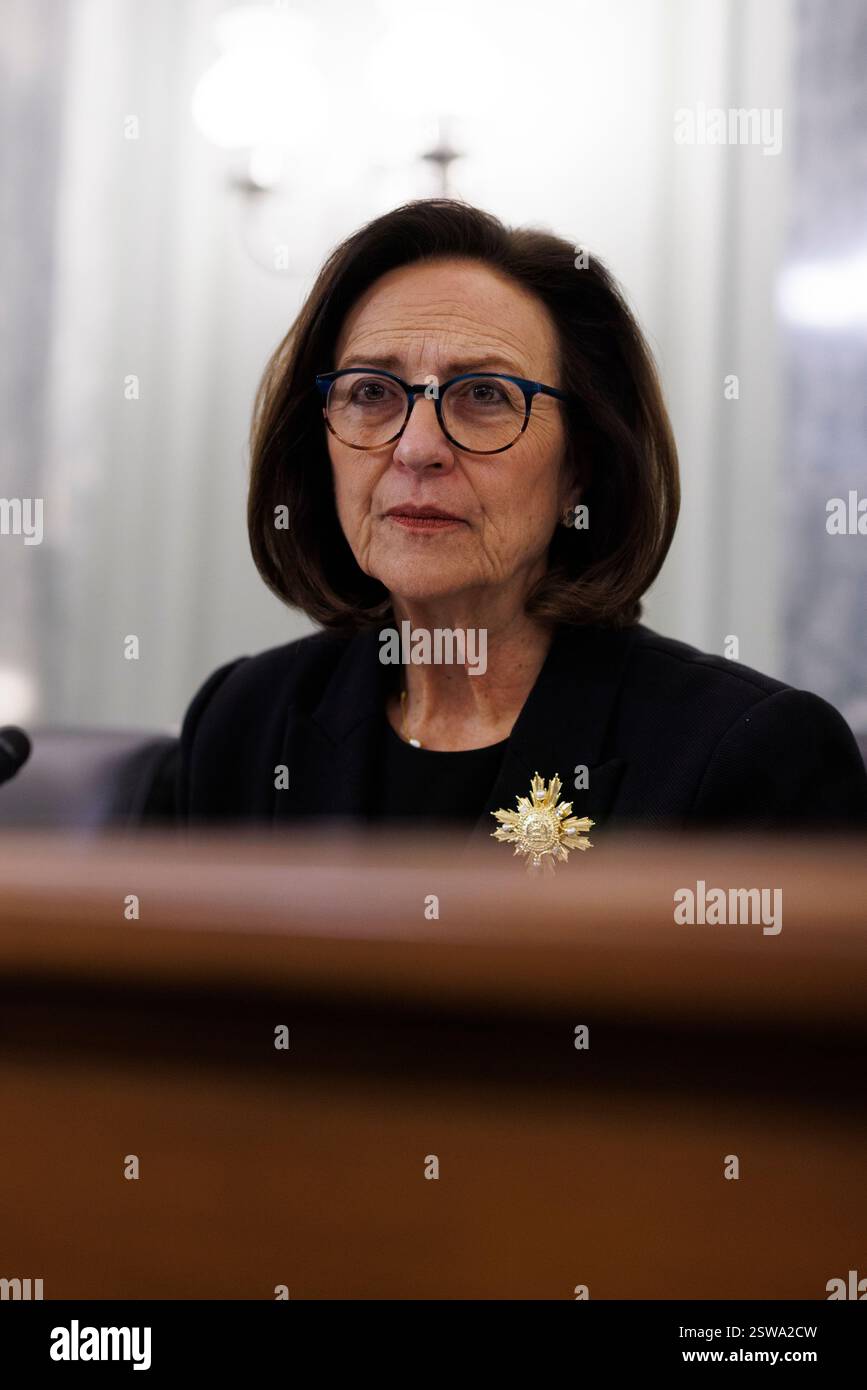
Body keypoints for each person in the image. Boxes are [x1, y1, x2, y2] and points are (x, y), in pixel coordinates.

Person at [176, 199, 867, 856]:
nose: (416, 448)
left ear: (580, 467)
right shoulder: (246, 720)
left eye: (483, 395)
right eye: (370, 393)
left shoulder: (745, 751)